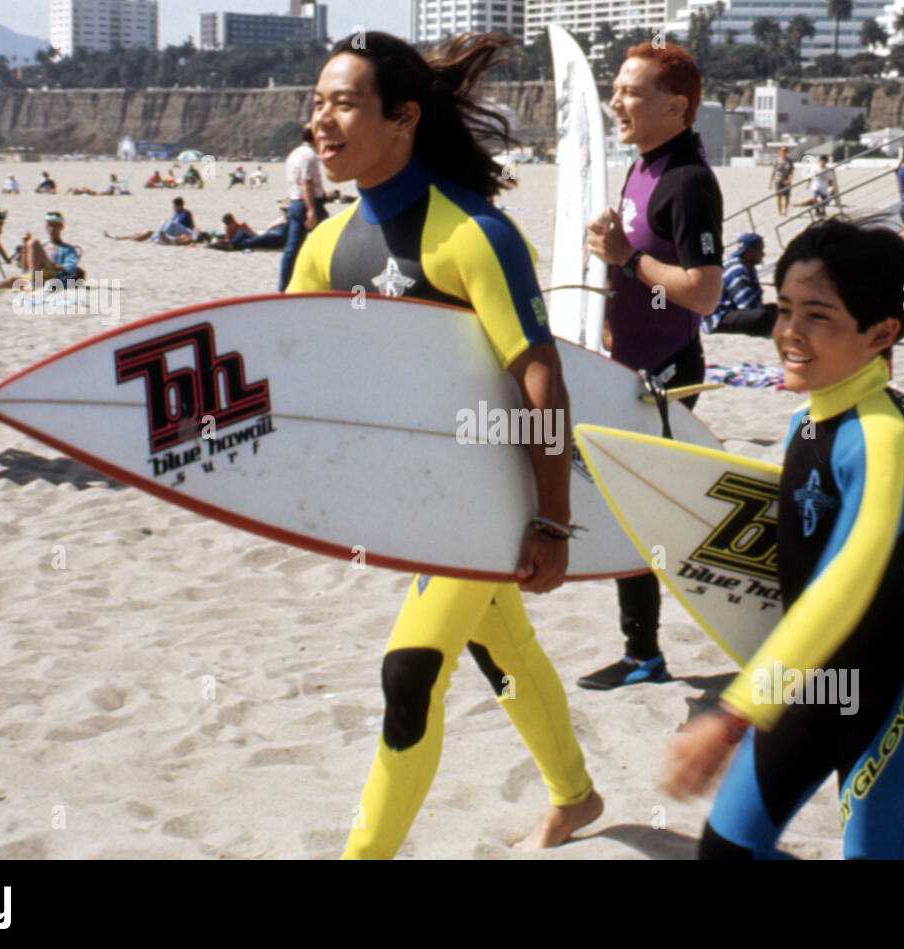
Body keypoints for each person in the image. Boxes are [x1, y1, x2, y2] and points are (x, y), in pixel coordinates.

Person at [291, 30, 602, 859]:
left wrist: (553, 521)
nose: (322, 119)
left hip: (493, 491)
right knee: (500, 645)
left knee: (408, 672)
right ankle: (576, 794)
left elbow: (541, 378)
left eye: (344, 102)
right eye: (317, 101)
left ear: (404, 118)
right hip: (418, 503)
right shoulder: (324, 247)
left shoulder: (474, 234)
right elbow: (293, 372)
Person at [663, 218, 904, 860]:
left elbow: (847, 581)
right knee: (726, 851)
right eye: (784, 308)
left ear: (881, 332)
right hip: (805, 684)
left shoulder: (881, 439)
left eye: (817, 315)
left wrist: (735, 713)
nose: (788, 333)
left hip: (885, 693)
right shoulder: (809, 419)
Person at [580, 41, 724, 690]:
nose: (617, 102)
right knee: (628, 505)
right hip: (630, 368)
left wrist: (626, 260)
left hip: (669, 369)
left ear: (677, 106)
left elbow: (703, 290)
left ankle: (644, 654)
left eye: (631, 93)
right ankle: (643, 653)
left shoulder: (688, 181)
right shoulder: (643, 165)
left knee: (634, 508)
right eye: (615, 90)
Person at [0, 211, 81, 290]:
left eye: (55, 226)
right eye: (49, 226)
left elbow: (70, 268)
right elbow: (24, 267)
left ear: (61, 227)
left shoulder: (67, 248)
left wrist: (51, 264)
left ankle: (34, 283)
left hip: (51, 273)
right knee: (12, 280)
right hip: (37, 274)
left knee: (33, 243)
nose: (52, 229)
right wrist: (24, 246)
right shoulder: (43, 246)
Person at [279, 124, 328, 292]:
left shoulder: (295, 153)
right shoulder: (309, 156)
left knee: (293, 246)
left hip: (295, 201)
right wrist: (311, 209)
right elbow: (307, 182)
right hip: (307, 202)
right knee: (327, 239)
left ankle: (284, 286)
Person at [704, 233, 776, 337]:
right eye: (760, 250)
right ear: (750, 251)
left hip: (732, 309)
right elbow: (747, 305)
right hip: (718, 317)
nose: (763, 254)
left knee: (774, 309)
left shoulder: (747, 265)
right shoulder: (737, 271)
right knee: (762, 316)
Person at [103, 196, 201, 245]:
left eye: (174, 206)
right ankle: (121, 237)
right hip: (169, 233)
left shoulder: (186, 213)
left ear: (179, 206)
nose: (173, 207)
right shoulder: (176, 214)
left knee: (170, 223)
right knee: (148, 231)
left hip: (182, 233)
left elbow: (191, 228)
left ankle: (155, 239)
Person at [769, 145, 794, 216]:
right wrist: (770, 182)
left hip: (786, 180)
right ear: (780, 151)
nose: (784, 152)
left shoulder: (789, 161)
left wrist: (789, 180)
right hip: (778, 180)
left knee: (786, 196)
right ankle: (779, 211)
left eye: (785, 151)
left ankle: (785, 210)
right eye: (782, 151)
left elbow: (791, 172)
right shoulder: (777, 161)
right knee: (778, 196)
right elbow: (773, 172)